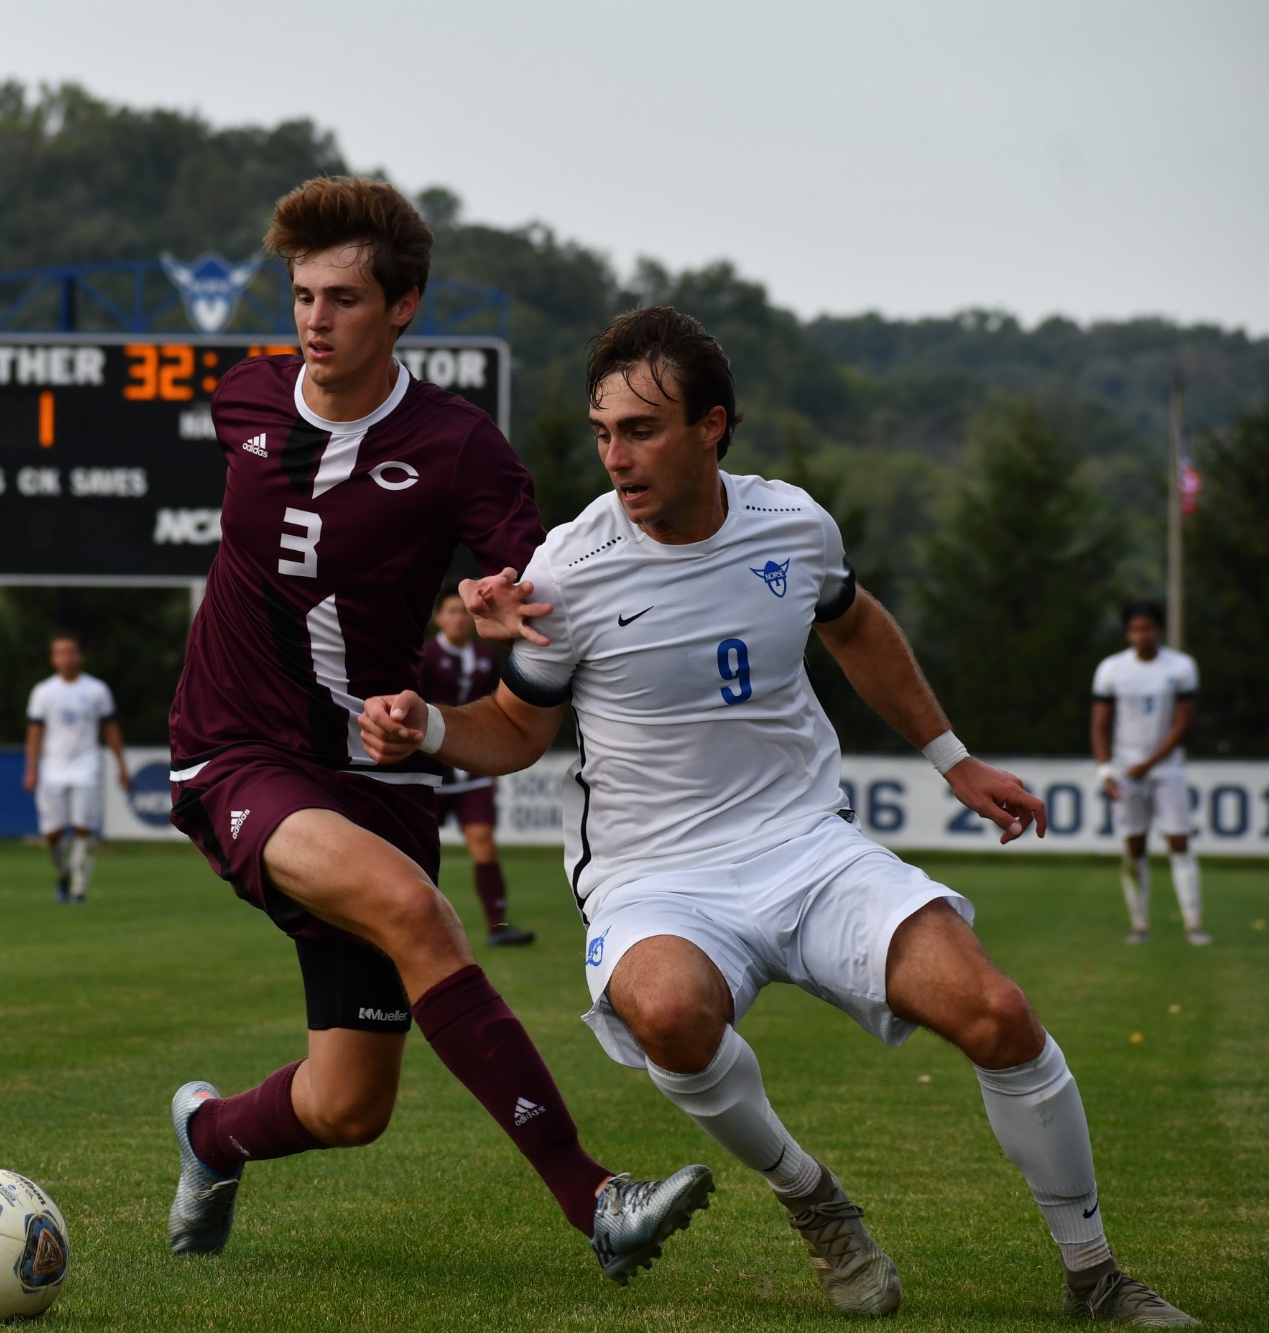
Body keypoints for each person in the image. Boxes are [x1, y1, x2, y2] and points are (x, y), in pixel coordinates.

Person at [362, 307, 1196, 1325]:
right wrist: (428, 733)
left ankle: (1094, 1275)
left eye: (643, 429)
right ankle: (816, 1204)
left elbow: (852, 623)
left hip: (806, 847)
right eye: (602, 432)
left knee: (999, 1014)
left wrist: (952, 757)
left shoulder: (792, 525)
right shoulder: (564, 572)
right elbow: (513, 727)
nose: (616, 457)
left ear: (712, 427)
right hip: (652, 876)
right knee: (664, 1012)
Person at [163, 177, 711, 1284]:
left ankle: (209, 1134)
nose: (315, 320)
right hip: (235, 751)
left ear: (403, 307)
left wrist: (510, 618)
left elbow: (535, 571)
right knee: (417, 913)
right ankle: (594, 1195)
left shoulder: (456, 445)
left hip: (375, 771)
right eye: (302, 295)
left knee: (346, 1104)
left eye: (343, 299)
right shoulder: (245, 399)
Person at [419, 591, 533, 946]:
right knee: (416, 850)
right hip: (430, 770)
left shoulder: (485, 655)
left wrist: (494, 765)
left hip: (473, 767)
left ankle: (497, 926)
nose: (460, 618)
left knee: (483, 843)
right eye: (452, 612)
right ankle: (410, 926)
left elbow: (497, 711)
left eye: (464, 612)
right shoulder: (423, 656)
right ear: (438, 618)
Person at [1091, 602, 1206, 946]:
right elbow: (1099, 725)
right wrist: (1105, 769)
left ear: (1159, 630)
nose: (1142, 635)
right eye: (1135, 629)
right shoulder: (1111, 669)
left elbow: (1182, 723)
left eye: (1148, 628)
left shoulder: (1181, 667)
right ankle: (1139, 923)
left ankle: (1193, 922)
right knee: (1134, 846)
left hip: (1167, 770)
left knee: (1179, 841)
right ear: (1128, 632)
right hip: (1126, 770)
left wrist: (1151, 762)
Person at [23, 632, 132, 903]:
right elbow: (35, 732)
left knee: (83, 827)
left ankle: (79, 887)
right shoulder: (43, 692)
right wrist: (31, 768)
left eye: (71, 651)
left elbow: (111, 729)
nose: (67, 657)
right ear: (53, 659)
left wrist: (121, 764)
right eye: (60, 652)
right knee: (52, 834)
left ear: (79, 655)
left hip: (87, 765)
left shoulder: (97, 690)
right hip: (53, 767)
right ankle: (65, 871)